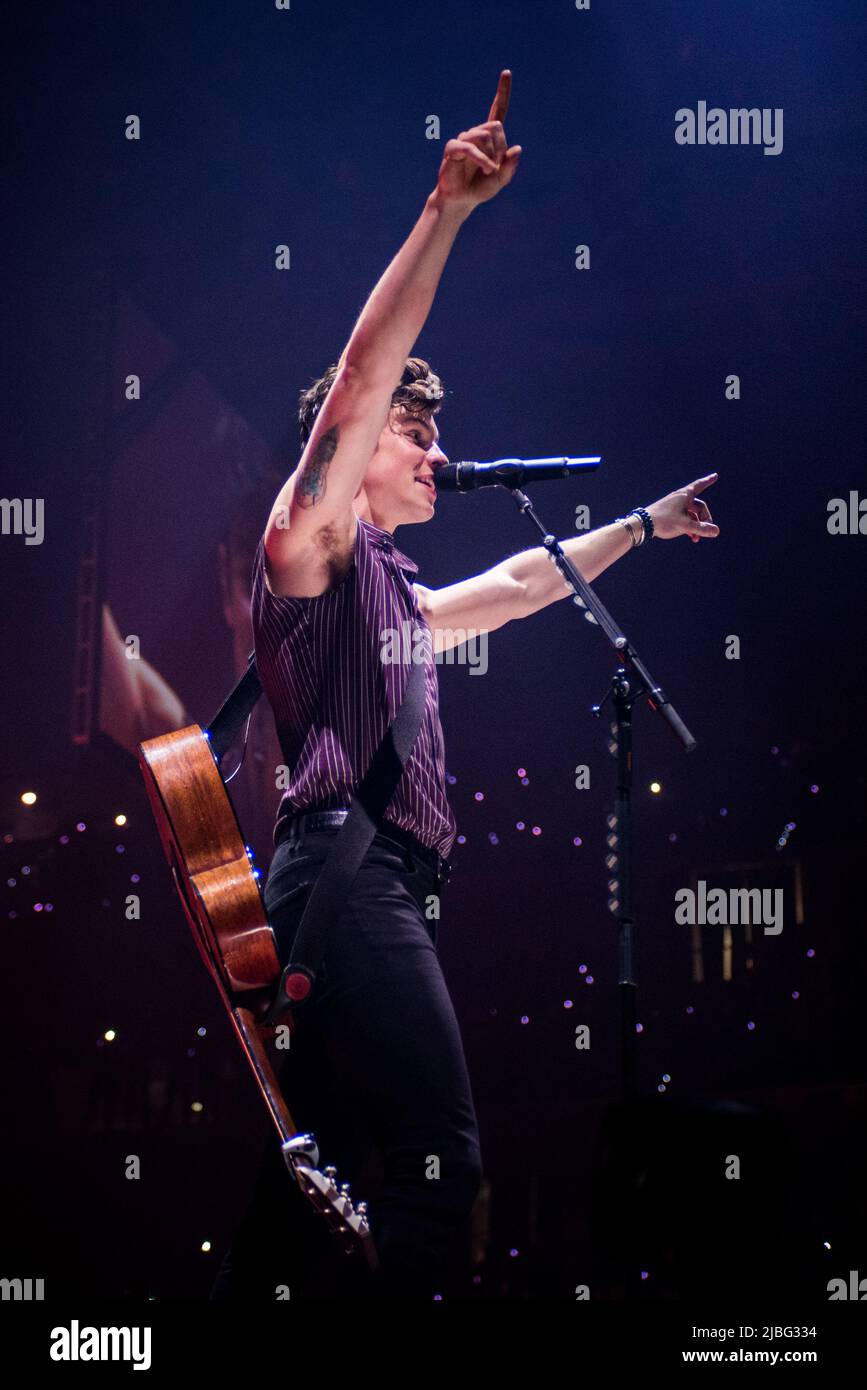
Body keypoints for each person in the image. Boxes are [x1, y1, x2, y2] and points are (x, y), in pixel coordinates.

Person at [210, 69, 720, 1302]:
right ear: (353, 443)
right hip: (350, 870)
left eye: (439, 433)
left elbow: (513, 590)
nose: (437, 446)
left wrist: (639, 529)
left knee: (308, 1177)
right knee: (444, 1163)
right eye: (417, 430)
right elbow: (357, 376)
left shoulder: (392, 594)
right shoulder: (308, 541)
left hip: (359, 884)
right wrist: (446, 213)